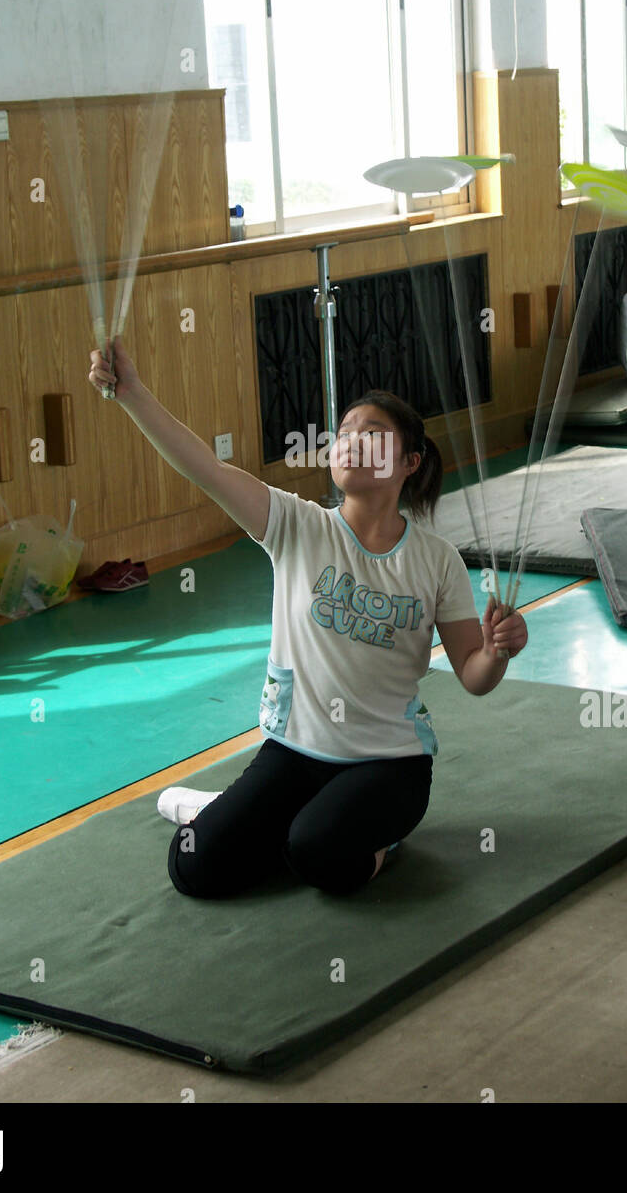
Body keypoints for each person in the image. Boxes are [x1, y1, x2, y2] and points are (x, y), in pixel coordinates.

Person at [89, 338, 528, 898]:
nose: (352, 444)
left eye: (372, 435)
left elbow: (473, 673)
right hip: (293, 755)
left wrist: (495, 652)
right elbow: (204, 468)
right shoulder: (295, 526)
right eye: (344, 434)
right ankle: (239, 813)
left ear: (410, 462)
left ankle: (376, 839)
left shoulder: (436, 560)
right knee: (193, 868)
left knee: (318, 855)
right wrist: (132, 394)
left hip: (388, 765)